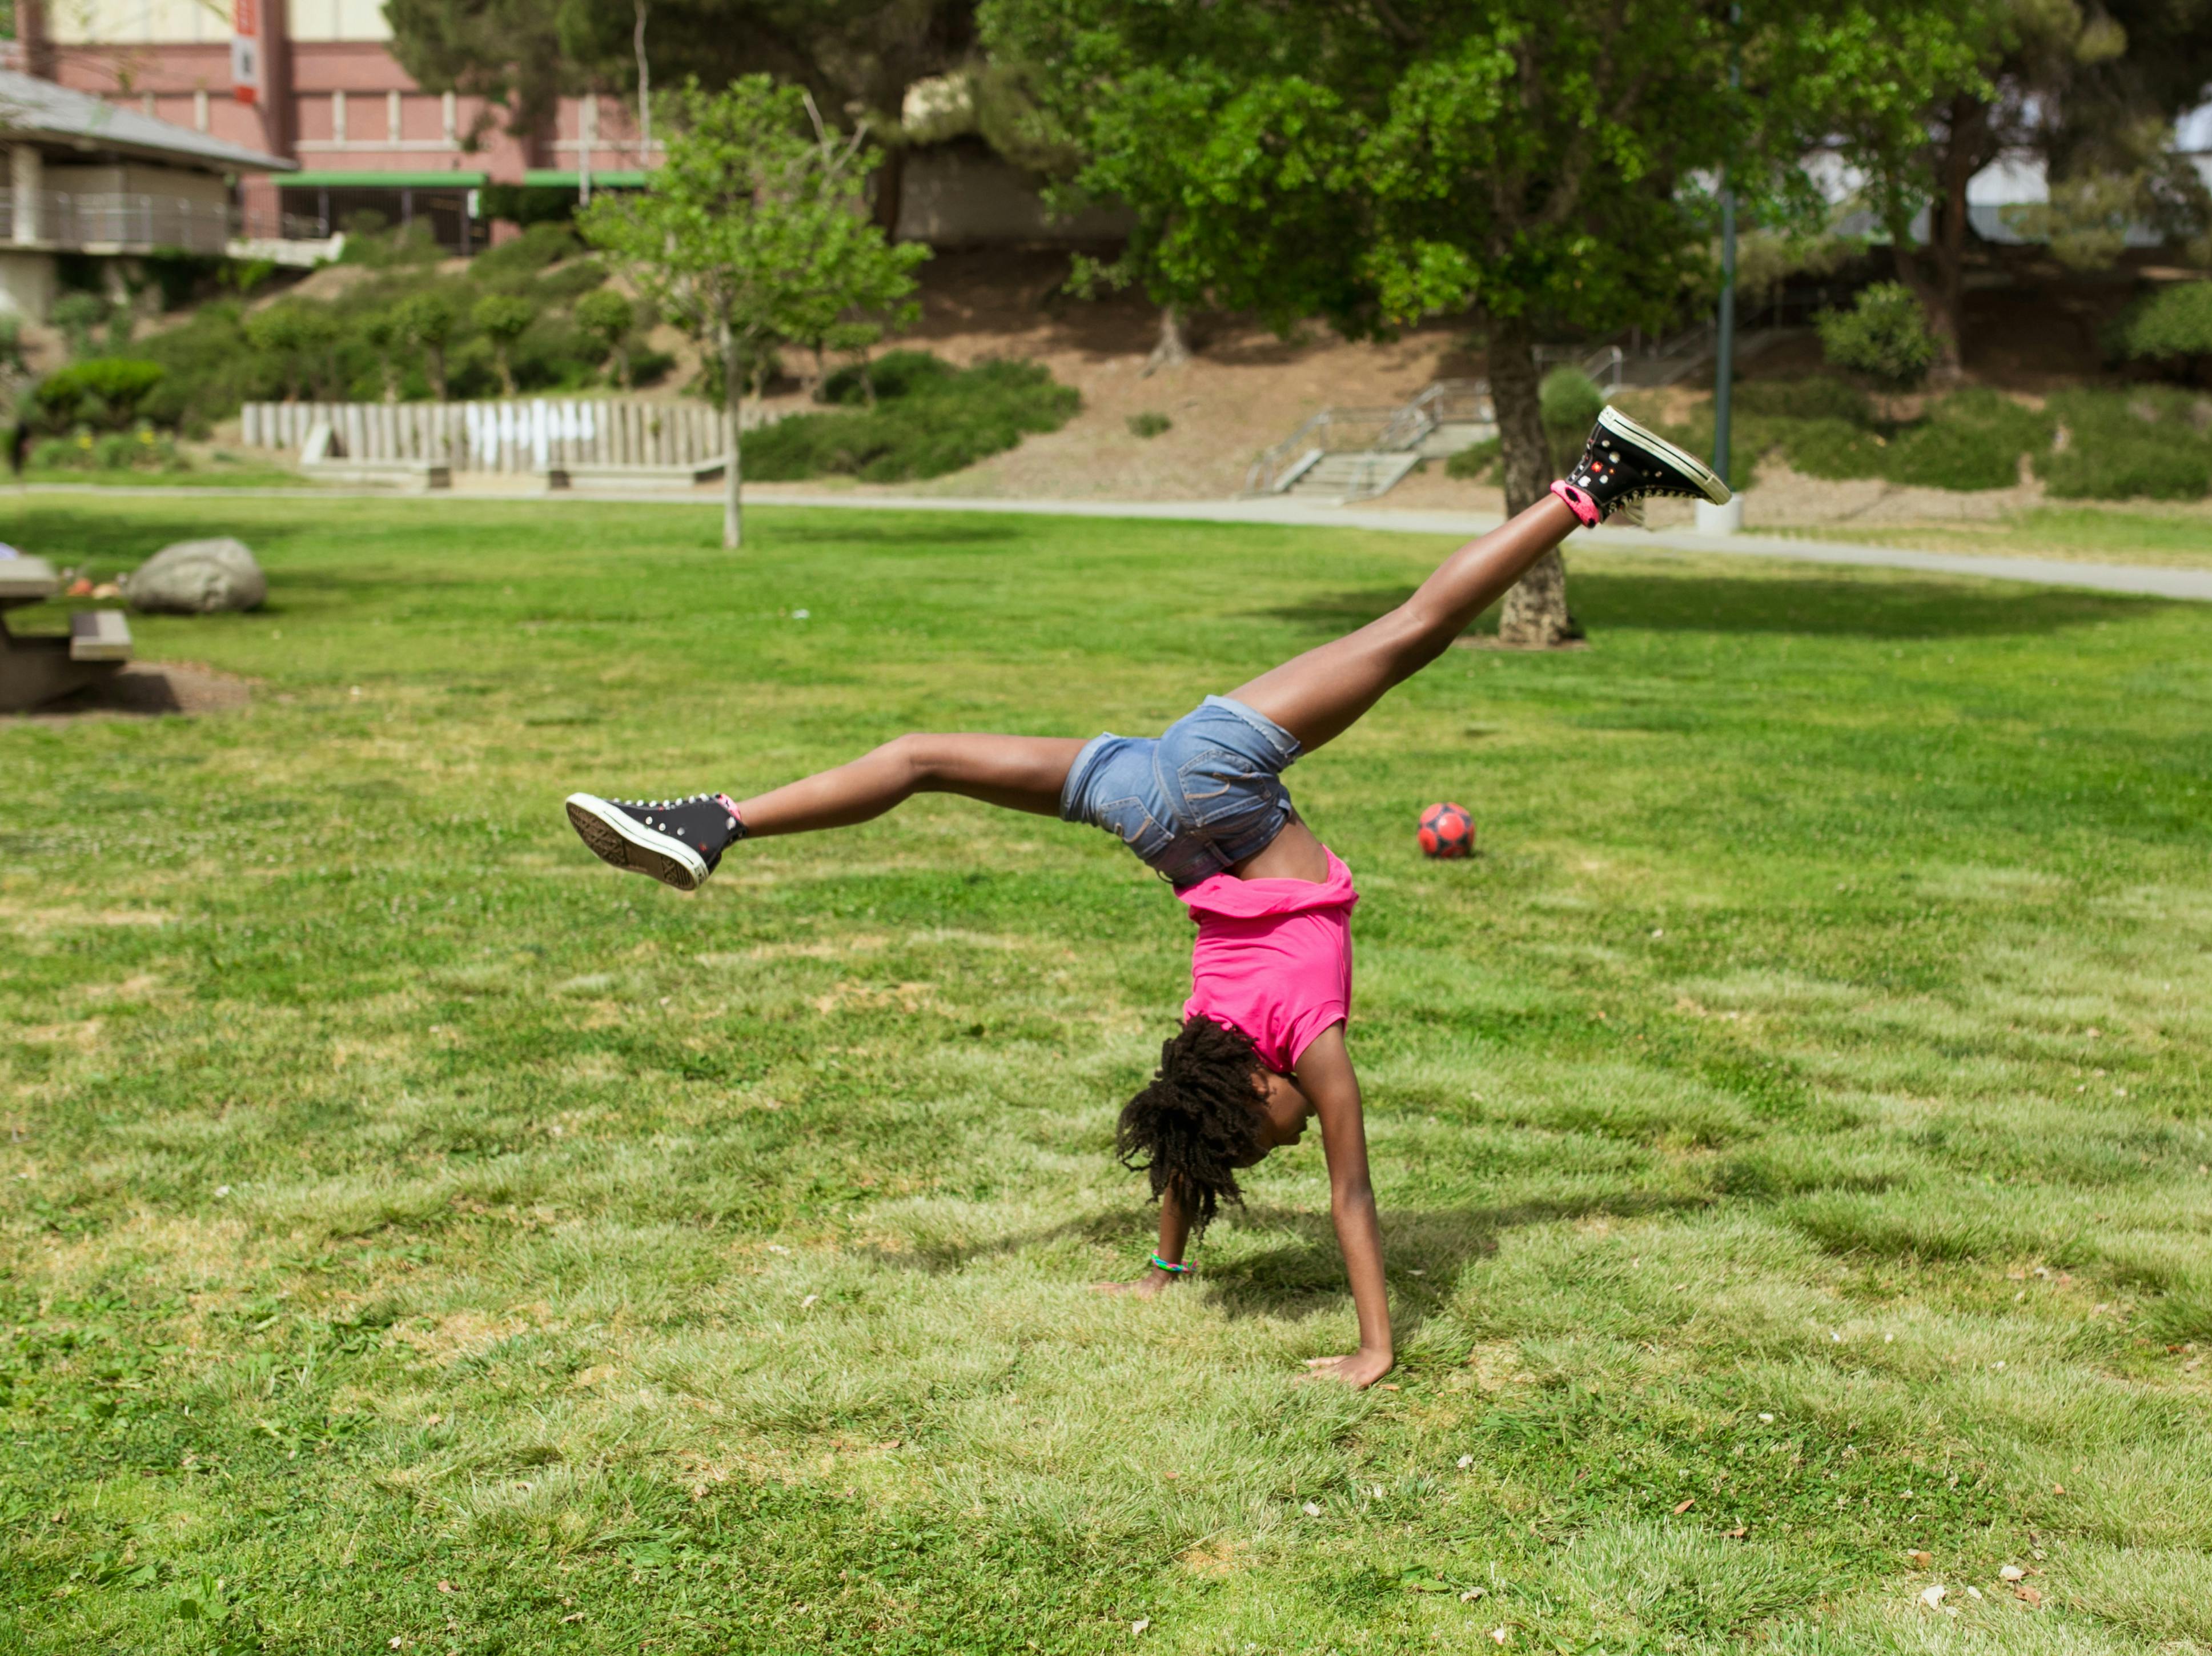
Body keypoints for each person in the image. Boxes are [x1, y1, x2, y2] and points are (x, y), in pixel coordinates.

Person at [562, 407, 1730, 1388]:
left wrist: (1375, 1345)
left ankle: (1592, 479)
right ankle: (723, 820)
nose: (1283, 1137)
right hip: (1147, 811)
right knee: (921, 754)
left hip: (1215, 781)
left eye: (1268, 1129)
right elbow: (1184, 1139)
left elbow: (1352, 1197)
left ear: (1262, 1082)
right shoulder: (1201, 1050)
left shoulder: (1302, 1049)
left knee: (1413, 629)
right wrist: (1163, 1263)